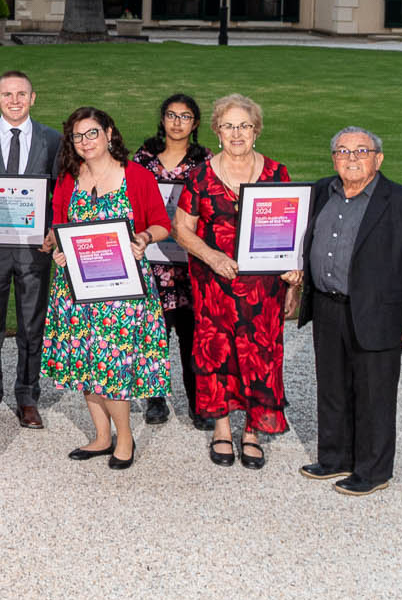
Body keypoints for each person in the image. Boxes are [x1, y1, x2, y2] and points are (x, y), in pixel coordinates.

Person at [295, 128, 402, 497]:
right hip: (327, 305)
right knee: (332, 387)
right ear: (333, 158)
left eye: (361, 151)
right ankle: (335, 456)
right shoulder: (322, 192)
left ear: (379, 158)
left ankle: (372, 470)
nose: (351, 158)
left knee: (374, 394)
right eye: (342, 151)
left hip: (379, 312)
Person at [40, 107, 172, 470]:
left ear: (109, 133)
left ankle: (124, 437)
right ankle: (101, 436)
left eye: (92, 133)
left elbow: (162, 223)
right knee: (86, 362)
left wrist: (145, 237)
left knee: (112, 366)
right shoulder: (69, 178)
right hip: (78, 288)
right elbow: (58, 225)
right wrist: (58, 248)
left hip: (123, 290)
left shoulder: (137, 177)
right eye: (78, 136)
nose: (85, 142)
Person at [172, 93, 297, 470]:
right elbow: (182, 230)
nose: (237, 133)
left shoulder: (277, 173)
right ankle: (222, 428)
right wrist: (212, 256)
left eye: (244, 125)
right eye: (229, 126)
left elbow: (292, 231)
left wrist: (295, 282)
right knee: (217, 354)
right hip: (214, 285)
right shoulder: (200, 176)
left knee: (260, 356)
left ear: (256, 131)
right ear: (216, 131)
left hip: (264, 290)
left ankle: (253, 431)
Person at [0, 68, 62, 430]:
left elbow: (61, 193)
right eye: (7, 95)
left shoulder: (53, 139)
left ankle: (28, 396)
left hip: (35, 248)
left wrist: (55, 230)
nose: (14, 101)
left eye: (21, 94)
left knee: (33, 325)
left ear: (32, 98)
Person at [133, 94, 210, 429]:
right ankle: (156, 400)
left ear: (195, 124)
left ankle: (199, 403)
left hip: (191, 263)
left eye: (185, 116)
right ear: (162, 119)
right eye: (171, 115)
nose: (177, 122)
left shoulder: (205, 161)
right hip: (152, 263)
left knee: (193, 339)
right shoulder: (144, 159)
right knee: (153, 336)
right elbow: (132, 202)